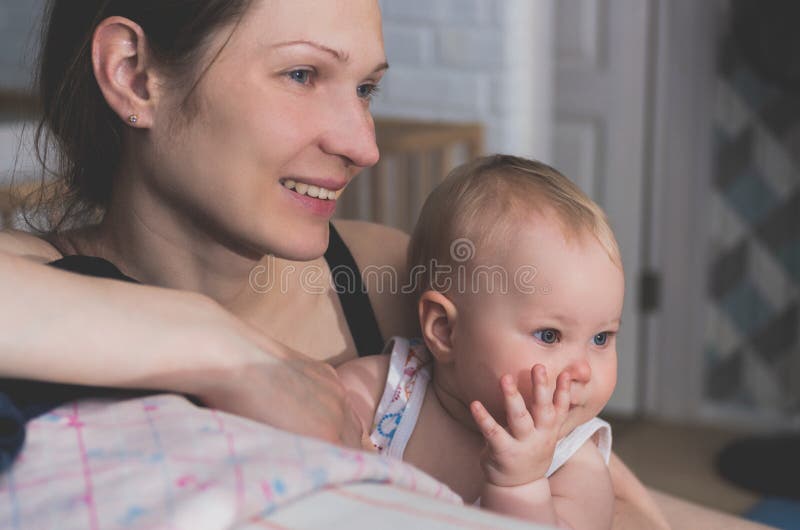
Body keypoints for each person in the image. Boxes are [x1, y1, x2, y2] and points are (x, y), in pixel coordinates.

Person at [0, 1, 774, 529]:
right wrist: (226, 349)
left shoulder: (379, 274)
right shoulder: (36, 275)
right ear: (135, 74)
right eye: (303, 75)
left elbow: (624, 499)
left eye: (366, 87)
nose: (364, 143)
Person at [339, 155, 620, 528]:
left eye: (601, 338)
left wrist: (521, 486)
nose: (583, 370)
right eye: (549, 335)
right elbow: (301, 431)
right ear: (444, 331)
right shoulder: (387, 393)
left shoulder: (572, 466)